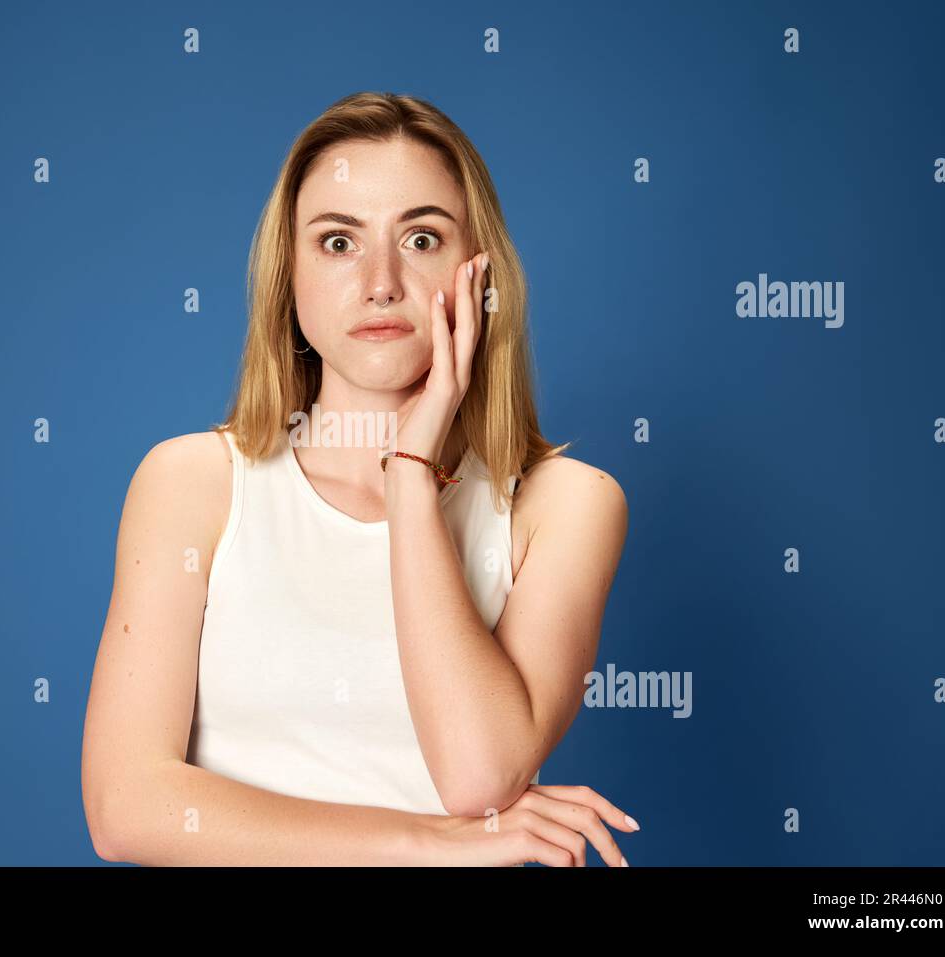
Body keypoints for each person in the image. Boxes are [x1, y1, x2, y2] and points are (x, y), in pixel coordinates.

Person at [81, 92, 632, 866]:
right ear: (290, 276)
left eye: (422, 237)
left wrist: (409, 473)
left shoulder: (564, 504)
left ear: (480, 272)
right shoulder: (192, 483)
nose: (381, 282)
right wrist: (428, 841)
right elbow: (126, 807)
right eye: (338, 242)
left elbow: (480, 775)